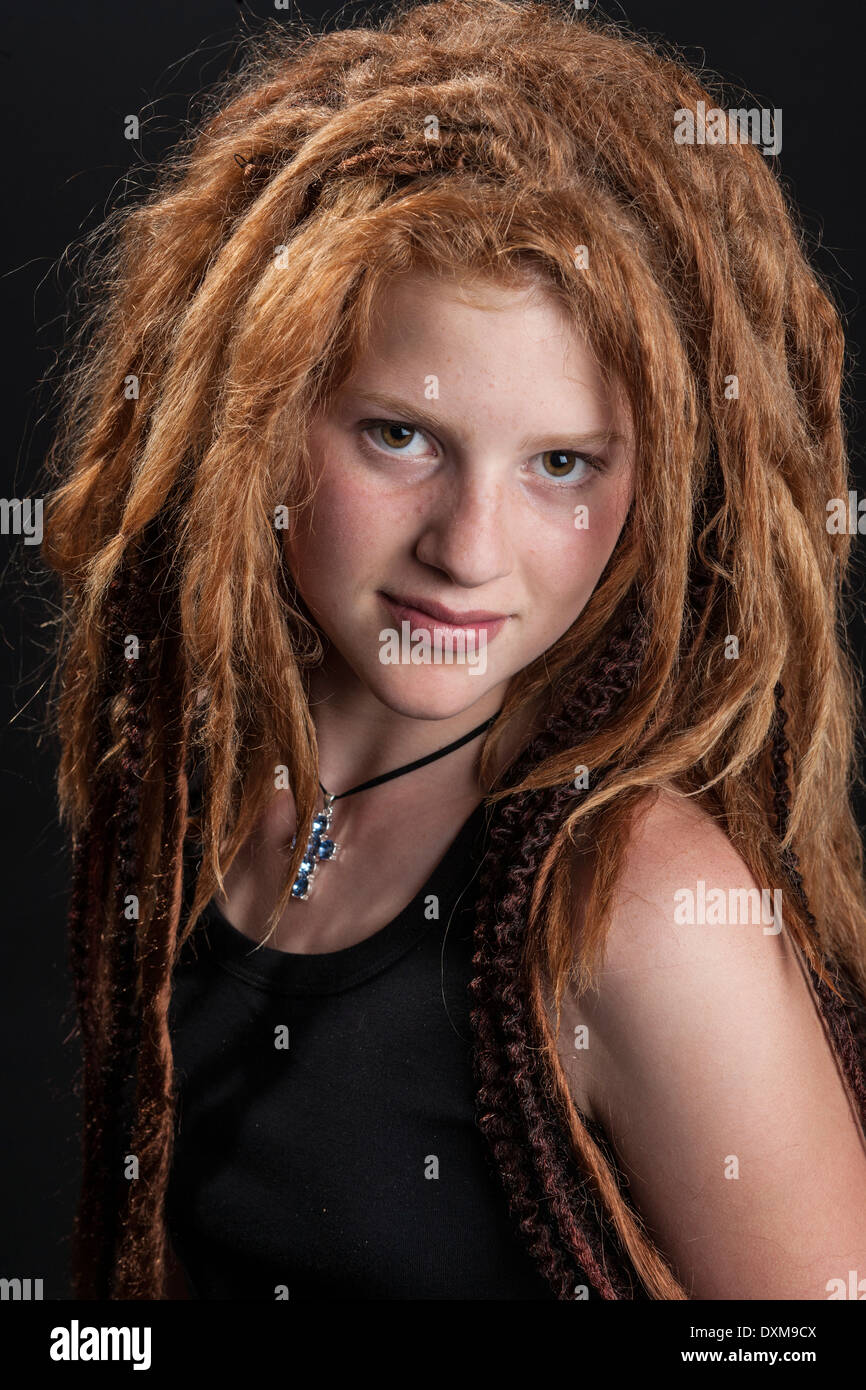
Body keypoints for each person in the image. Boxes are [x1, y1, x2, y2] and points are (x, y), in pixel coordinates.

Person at [39, 0, 866, 1301]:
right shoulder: (185, 795)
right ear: (261, 409)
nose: (468, 548)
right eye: (400, 438)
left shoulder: (640, 908)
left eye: (559, 464)